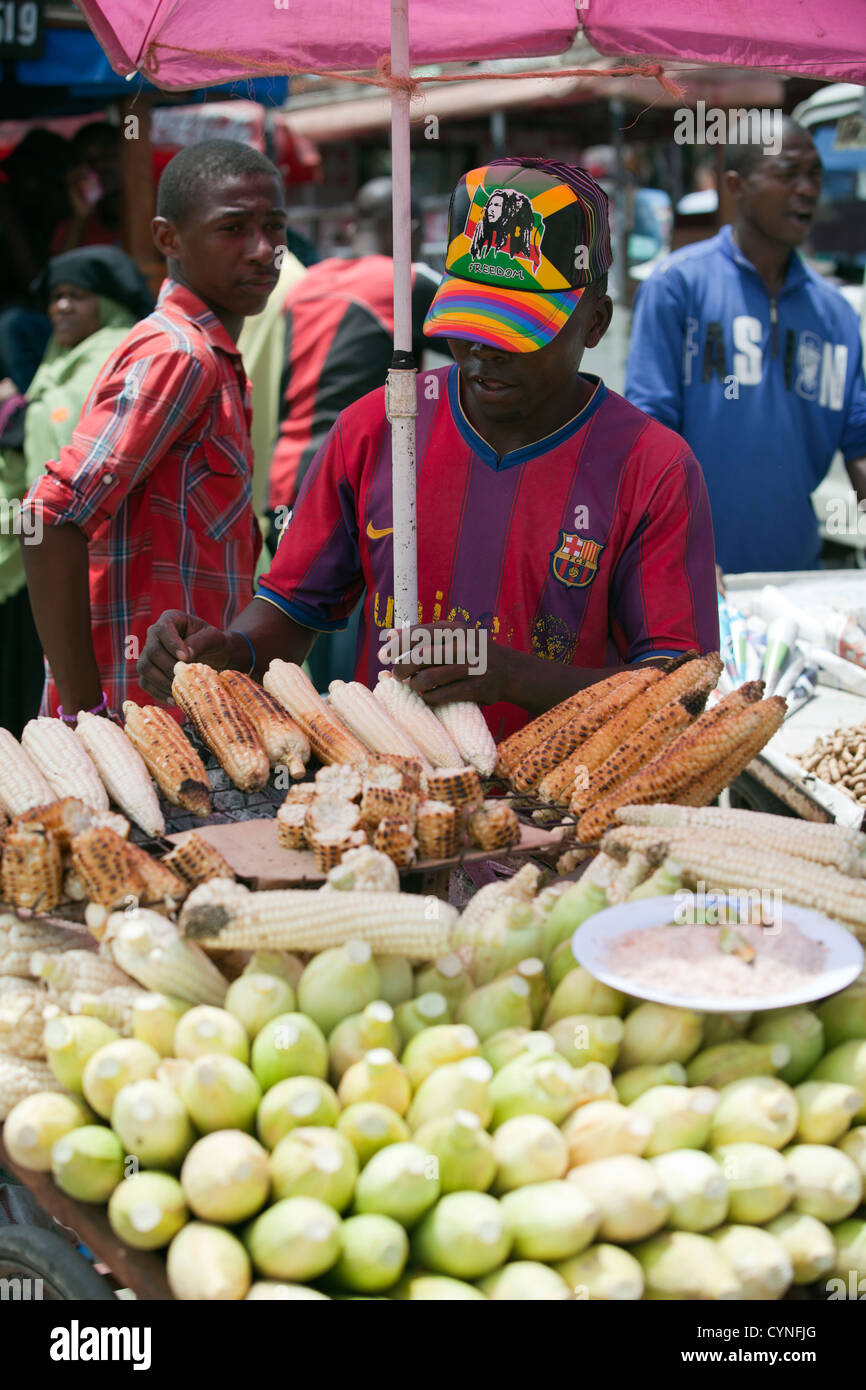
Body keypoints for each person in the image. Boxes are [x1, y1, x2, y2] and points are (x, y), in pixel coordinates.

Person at [139, 157, 719, 741]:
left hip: (571, 794)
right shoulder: (376, 428)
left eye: (517, 329)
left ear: (595, 323)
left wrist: (515, 676)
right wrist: (228, 651)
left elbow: (678, 689)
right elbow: (293, 611)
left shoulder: (654, 468)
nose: (482, 351)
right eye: (472, 320)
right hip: (396, 793)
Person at [23, 139, 289, 722]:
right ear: (168, 239)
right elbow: (46, 520)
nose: (264, 250)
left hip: (186, 719)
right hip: (134, 722)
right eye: (234, 228)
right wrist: (84, 712)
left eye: (274, 227)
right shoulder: (180, 355)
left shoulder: (213, 358)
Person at [625, 117, 866, 575]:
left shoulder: (834, 312)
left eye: (814, 175)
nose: (807, 190)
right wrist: (675, 554)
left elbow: (858, 438)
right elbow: (650, 437)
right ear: (737, 185)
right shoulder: (677, 287)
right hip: (692, 581)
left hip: (798, 582)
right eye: (787, 173)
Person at [266, 176, 439, 689]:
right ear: (408, 227)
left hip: (284, 473)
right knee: (360, 634)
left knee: (299, 624)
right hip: (350, 480)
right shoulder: (408, 281)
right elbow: (477, 362)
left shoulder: (307, 282)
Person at [0, 247, 153, 736]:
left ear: (107, 304)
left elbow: (69, 437)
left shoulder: (113, 348)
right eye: (56, 297)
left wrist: (15, 413)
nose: (61, 307)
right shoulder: (59, 355)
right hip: (34, 542)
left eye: (77, 296)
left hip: (68, 545)